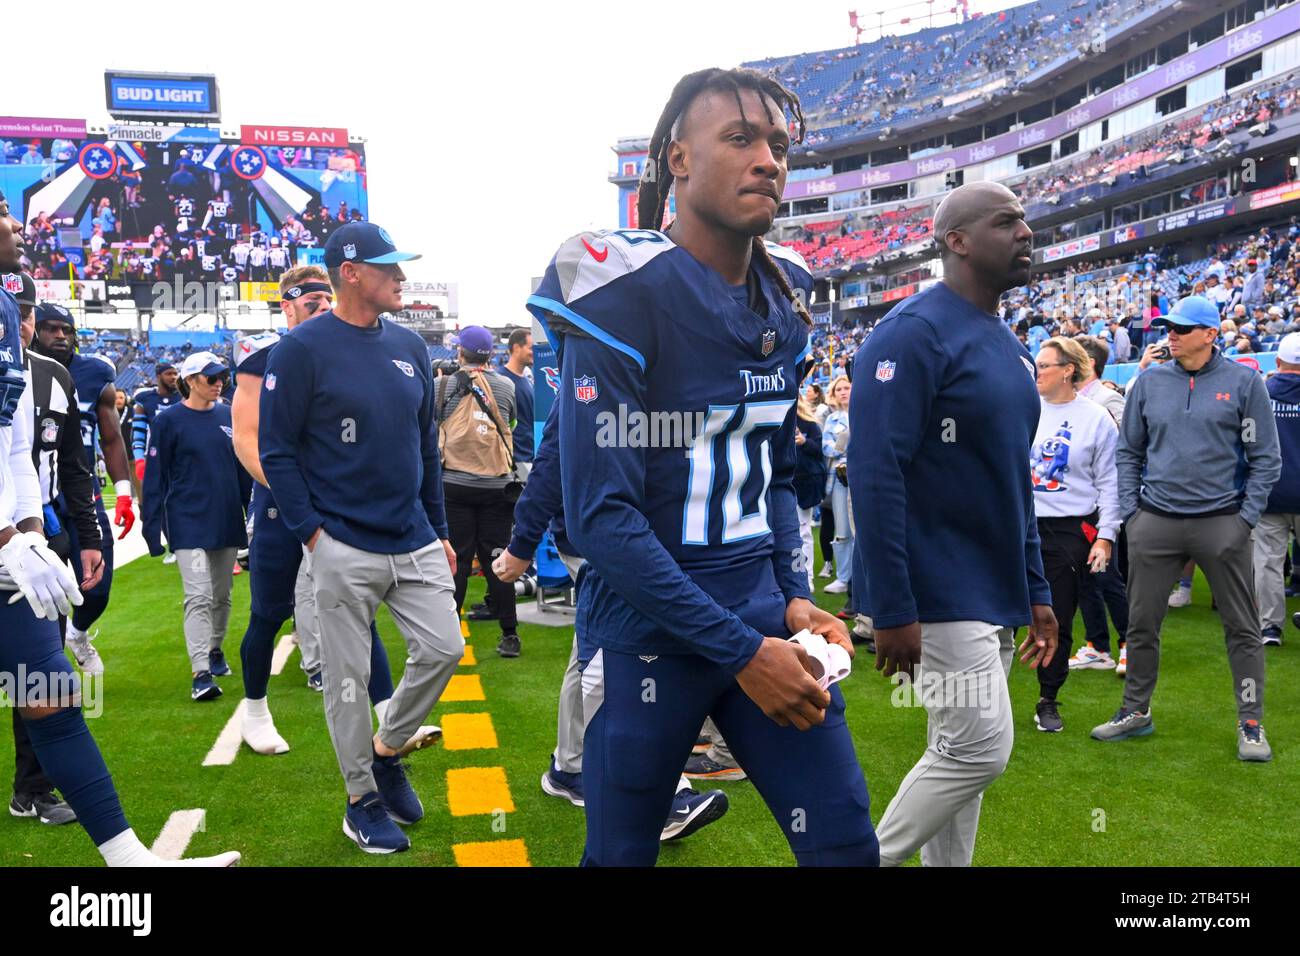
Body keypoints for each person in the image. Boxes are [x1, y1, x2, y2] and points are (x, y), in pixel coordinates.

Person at [529, 67, 876, 867]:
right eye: (741, 138)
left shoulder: (785, 296)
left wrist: (792, 601)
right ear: (678, 160)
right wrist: (743, 651)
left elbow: (775, 475)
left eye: (779, 146)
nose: (768, 160)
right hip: (651, 635)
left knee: (845, 844)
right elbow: (601, 520)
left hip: (757, 615)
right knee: (621, 855)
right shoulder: (621, 292)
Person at [0, 189, 238, 866]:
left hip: (12, 546)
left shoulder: (29, 346)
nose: (15, 227)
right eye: (2, 217)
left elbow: (15, 444)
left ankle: (128, 856)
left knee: (50, 694)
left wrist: (25, 533)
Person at [850, 181, 1058, 867]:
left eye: (1025, 219)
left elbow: (1012, 481)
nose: (1025, 231)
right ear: (956, 241)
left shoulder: (1011, 345)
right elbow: (876, 475)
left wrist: (1037, 592)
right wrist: (892, 604)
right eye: (1007, 221)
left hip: (992, 587)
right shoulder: (910, 334)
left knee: (954, 750)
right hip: (936, 590)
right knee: (978, 749)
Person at [260, 221, 464, 855]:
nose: (401, 277)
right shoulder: (300, 349)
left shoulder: (409, 345)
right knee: (349, 682)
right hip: (342, 541)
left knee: (445, 648)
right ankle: (361, 799)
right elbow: (277, 450)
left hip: (414, 535)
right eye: (389, 267)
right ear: (351, 272)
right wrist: (314, 534)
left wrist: (440, 529)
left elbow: (425, 450)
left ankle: (385, 750)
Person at [492, 402, 731, 841]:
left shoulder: (640, 359)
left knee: (592, 656)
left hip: (632, 536)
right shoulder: (601, 360)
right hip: (603, 539)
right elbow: (552, 464)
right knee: (634, 658)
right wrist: (522, 543)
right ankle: (662, 794)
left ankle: (569, 766)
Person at [230, 267, 432, 757]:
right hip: (285, 506)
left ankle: (387, 714)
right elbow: (249, 442)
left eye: (326, 301)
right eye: (310, 304)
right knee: (269, 613)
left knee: (358, 612)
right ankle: (254, 709)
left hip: (343, 507)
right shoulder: (263, 361)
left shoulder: (359, 352)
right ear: (288, 307)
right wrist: (303, 500)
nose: (321, 310)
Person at [1095, 294, 1280, 762]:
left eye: (1180, 328)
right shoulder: (1148, 383)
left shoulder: (1244, 382)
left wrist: (1243, 521)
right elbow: (1129, 452)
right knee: (1140, 624)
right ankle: (1135, 710)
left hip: (1222, 522)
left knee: (1242, 628)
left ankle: (1251, 721)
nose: (1170, 335)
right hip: (1155, 521)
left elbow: (1264, 459)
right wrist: (1133, 514)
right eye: (1167, 328)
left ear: (1211, 335)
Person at [6, 270, 100, 826]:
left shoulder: (54, 376)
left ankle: (33, 788)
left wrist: (87, 538)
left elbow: (71, 466)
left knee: (39, 670)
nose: (19, 322)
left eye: (25, 312)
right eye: (9, 310)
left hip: (36, 536)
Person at [29, 303, 136, 675]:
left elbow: (111, 437)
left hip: (81, 490)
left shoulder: (94, 373)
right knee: (44, 589)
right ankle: (48, 666)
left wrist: (123, 492)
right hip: (35, 497)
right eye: (51, 328)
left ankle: (78, 632)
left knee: (98, 584)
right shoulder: (22, 372)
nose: (60, 336)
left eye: (66, 329)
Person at [141, 352, 251, 702]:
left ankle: (215, 649)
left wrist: (249, 513)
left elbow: (243, 469)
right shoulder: (169, 421)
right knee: (199, 595)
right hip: (187, 521)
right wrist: (151, 526)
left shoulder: (229, 414)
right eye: (211, 377)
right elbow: (156, 476)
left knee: (222, 596)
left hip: (226, 517)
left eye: (222, 377)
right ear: (190, 381)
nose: (219, 383)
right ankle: (200, 673)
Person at [1028, 337, 1121, 732]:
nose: (1036, 373)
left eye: (1044, 366)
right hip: (1018, 524)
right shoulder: (1022, 410)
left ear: (1068, 369)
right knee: (996, 613)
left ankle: (1048, 698)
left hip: (1067, 529)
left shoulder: (1096, 417)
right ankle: (985, 692)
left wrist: (1106, 535)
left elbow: (1110, 482)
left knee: (1058, 617)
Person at [435, 325, 519, 658]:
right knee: (498, 558)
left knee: (456, 560)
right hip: (498, 485)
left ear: (460, 352)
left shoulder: (442, 385)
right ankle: (509, 633)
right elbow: (510, 425)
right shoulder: (506, 385)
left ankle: (449, 634)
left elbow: (430, 425)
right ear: (491, 354)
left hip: (453, 484)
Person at [1070, 336, 1131, 673]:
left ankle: (1128, 644)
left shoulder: (1107, 399)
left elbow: (1121, 451)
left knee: (1107, 575)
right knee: (1084, 578)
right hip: (1077, 502)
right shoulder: (1072, 399)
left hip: (1101, 502)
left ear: (1087, 362)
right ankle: (1097, 645)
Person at [1253, 331, 1300, 647]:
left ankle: (1270, 627)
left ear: (1278, 360)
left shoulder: (1259, 395)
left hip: (1269, 491)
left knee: (1267, 562)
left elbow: (1246, 441)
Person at [821, 375, 852, 595]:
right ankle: (843, 577)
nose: (843, 392)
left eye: (847, 387)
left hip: (863, 476)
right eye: (839, 388)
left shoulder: (866, 412)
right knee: (842, 528)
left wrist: (843, 445)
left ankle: (859, 579)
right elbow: (828, 448)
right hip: (840, 478)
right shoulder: (832, 419)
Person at [793, 394, 827, 593]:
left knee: (803, 533)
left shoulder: (809, 423)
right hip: (779, 485)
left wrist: (804, 442)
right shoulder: (774, 420)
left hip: (803, 485)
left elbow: (819, 450)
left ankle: (806, 576)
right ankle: (791, 576)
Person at [500, 328, 534, 477]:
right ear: (516, 348)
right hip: (513, 462)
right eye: (531, 348)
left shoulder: (527, 381)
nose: (534, 352)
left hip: (530, 457)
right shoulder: (501, 380)